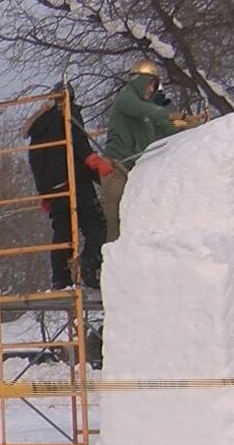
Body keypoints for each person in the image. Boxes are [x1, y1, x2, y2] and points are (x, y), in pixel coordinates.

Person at [26, 84, 112, 290]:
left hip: (54, 188)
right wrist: (95, 163)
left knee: (63, 231)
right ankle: (89, 266)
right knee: (96, 226)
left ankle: (60, 279)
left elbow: (35, 160)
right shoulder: (68, 112)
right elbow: (78, 141)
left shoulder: (39, 126)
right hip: (75, 182)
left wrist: (44, 193)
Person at [99, 59, 183, 242]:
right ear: (142, 81)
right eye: (151, 84)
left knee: (133, 223)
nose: (152, 90)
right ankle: (110, 265)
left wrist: (187, 122)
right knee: (115, 224)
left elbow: (167, 125)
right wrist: (172, 115)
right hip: (116, 170)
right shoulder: (126, 99)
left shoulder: (149, 113)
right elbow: (150, 111)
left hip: (135, 173)